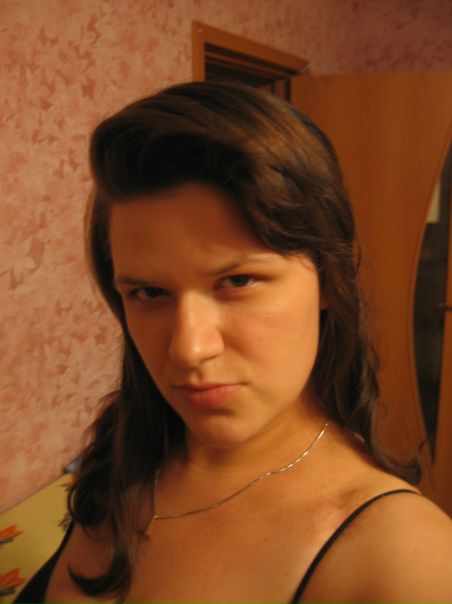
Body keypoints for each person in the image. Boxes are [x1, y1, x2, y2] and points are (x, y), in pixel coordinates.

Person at [14, 81, 452, 604]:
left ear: (327, 280)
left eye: (238, 281)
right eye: (149, 292)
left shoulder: (404, 562)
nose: (188, 349)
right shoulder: (126, 456)